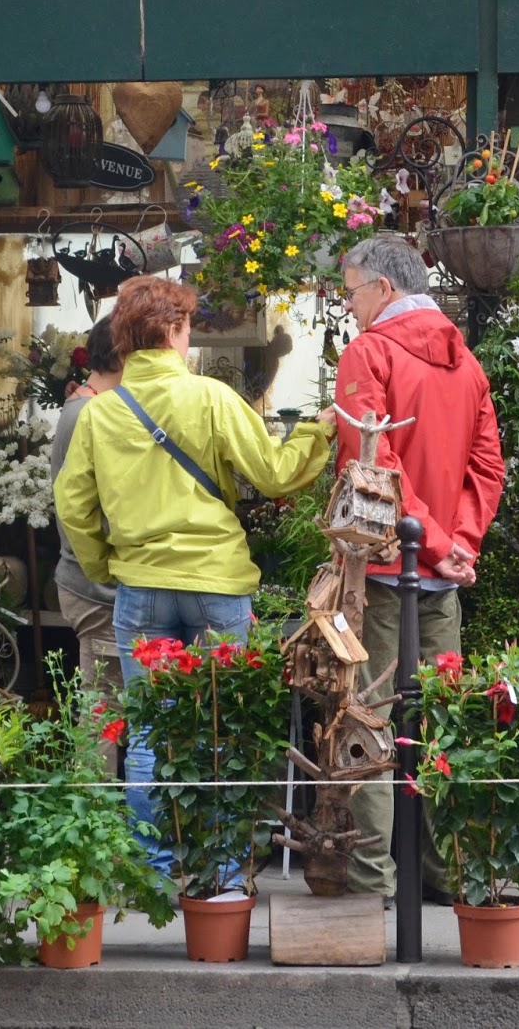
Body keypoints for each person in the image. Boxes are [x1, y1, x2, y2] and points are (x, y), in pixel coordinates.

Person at [54, 275, 337, 865]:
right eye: (186, 327)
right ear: (175, 331)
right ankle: (224, 872)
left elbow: (73, 504)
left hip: (140, 590)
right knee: (223, 732)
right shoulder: (209, 398)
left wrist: (108, 563)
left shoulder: (100, 414)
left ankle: (155, 871)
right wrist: (319, 430)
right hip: (215, 587)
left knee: (149, 736)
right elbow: (276, 473)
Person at [333, 235, 505, 905]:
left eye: (350, 292)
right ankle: (450, 871)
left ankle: (371, 880)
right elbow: (486, 466)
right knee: (444, 725)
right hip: (442, 578)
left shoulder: (367, 354)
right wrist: (459, 543)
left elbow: (373, 469)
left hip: (380, 576)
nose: (348, 307)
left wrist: (429, 542)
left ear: (381, 288)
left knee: (368, 723)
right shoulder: (466, 363)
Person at [50, 317, 123, 695]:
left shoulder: (86, 405)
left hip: (91, 582)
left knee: (105, 709)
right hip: (95, 587)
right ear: (126, 356)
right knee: (103, 712)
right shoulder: (86, 414)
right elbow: (81, 508)